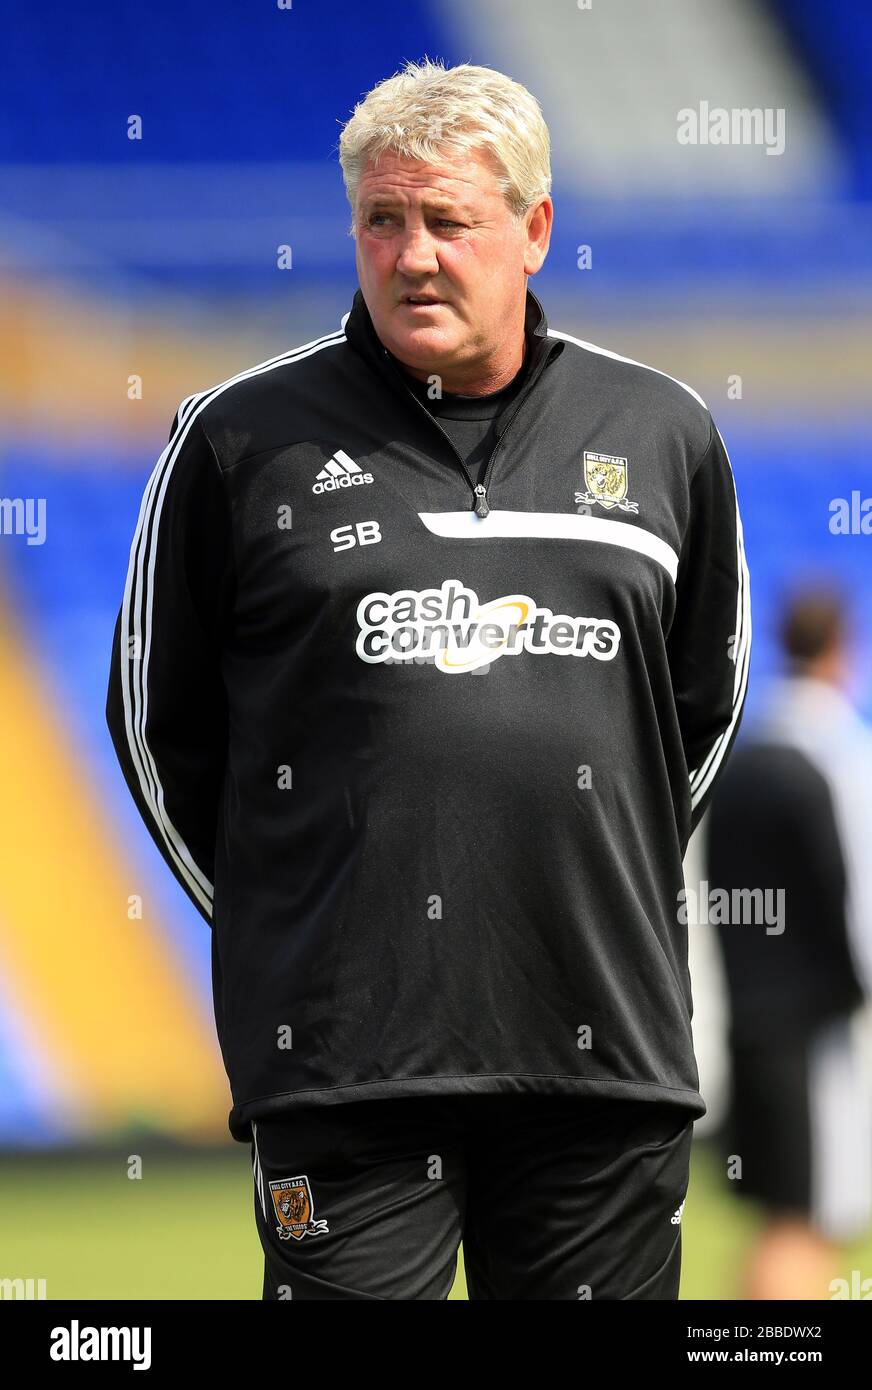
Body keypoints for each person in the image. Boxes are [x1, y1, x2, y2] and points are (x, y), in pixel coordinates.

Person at [105, 58, 751, 1299]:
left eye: (448, 221)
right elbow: (156, 727)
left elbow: (697, 710)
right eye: (380, 221)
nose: (412, 256)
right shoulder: (237, 439)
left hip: (596, 1050)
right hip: (346, 1059)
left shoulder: (661, 433)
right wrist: (289, 928)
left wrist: (582, 873)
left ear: (532, 229)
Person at [706, 585, 872, 1299]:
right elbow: (853, 899)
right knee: (805, 1221)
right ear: (842, 649)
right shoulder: (837, 758)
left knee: (780, 1216)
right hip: (815, 1029)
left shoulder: (741, 758)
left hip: (749, 1017)